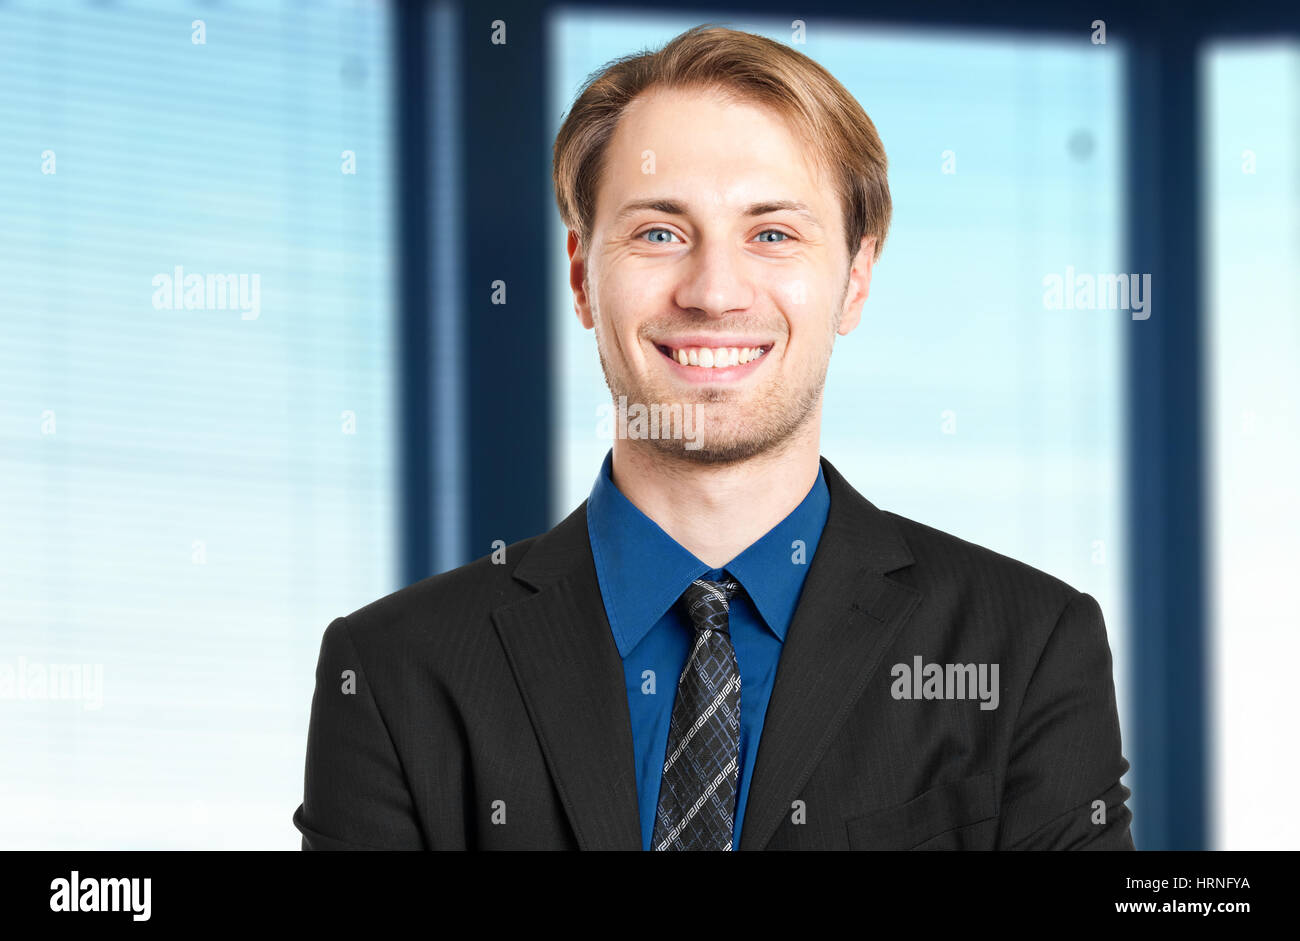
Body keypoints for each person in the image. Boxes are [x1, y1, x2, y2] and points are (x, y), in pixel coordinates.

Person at [292, 24, 1134, 851]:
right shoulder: (395, 671)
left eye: (772, 233)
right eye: (659, 232)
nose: (715, 290)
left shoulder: (1025, 650)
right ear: (583, 276)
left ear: (856, 280)